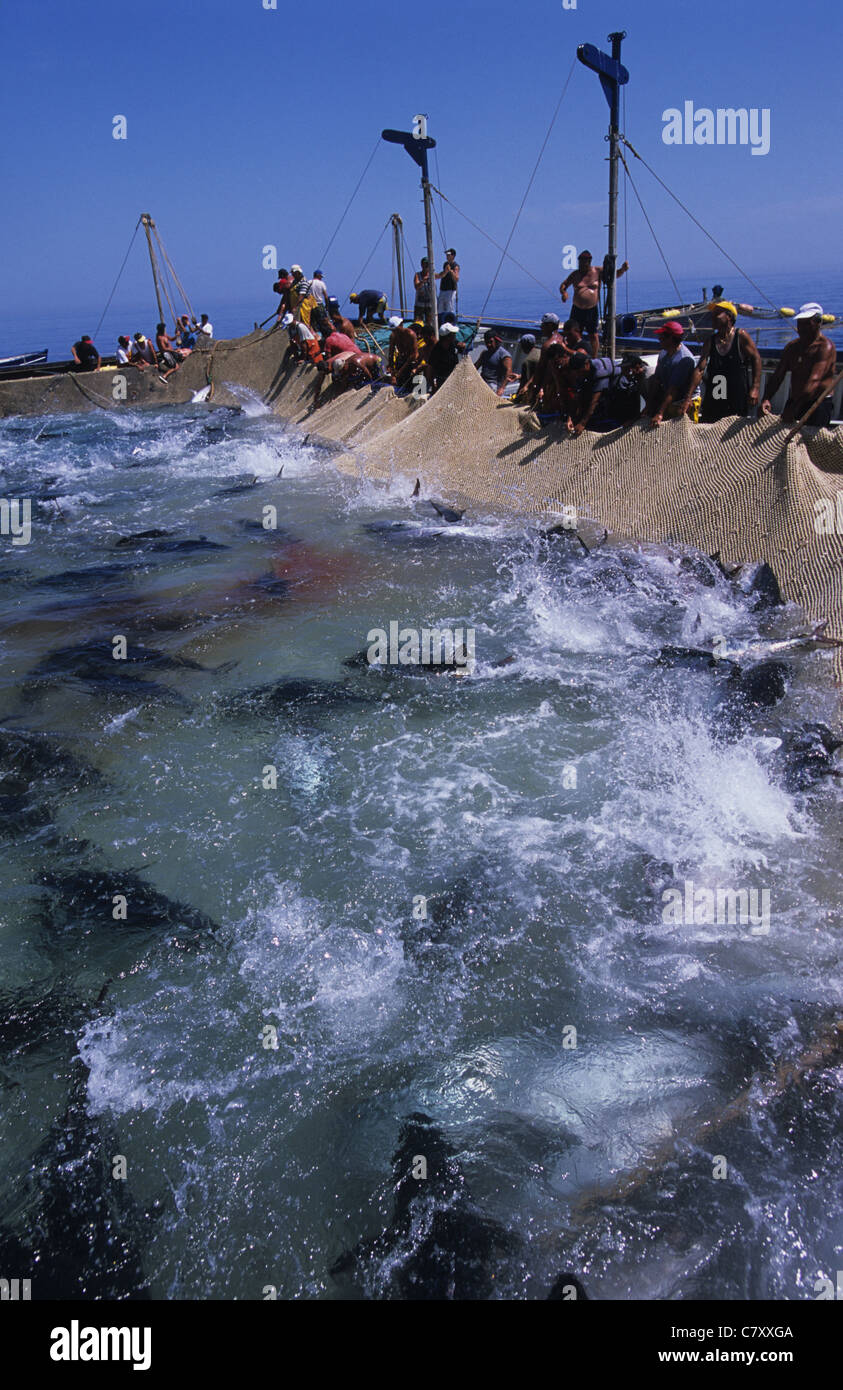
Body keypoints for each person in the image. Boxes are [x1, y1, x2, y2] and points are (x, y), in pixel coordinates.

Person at [679, 301, 761, 422]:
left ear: (729, 316)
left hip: (736, 395)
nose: (713, 317)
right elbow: (700, 369)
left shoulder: (741, 336)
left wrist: (755, 387)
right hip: (717, 395)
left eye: (717, 313)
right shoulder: (710, 341)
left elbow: (756, 358)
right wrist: (688, 397)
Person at [760, 302, 837, 428]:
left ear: (818, 322)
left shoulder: (825, 347)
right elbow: (778, 376)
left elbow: (814, 381)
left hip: (818, 403)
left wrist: (795, 407)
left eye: (807, 323)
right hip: (795, 400)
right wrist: (766, 398)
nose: (802, 327)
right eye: (800, 323)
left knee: (813, 444)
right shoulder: (792, 347)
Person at [560, 250, 629, 357]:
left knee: (593, 335)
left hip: (591, 309)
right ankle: (574, 356)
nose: (582, 263)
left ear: (589, 261)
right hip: (577, 309)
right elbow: (564, 284)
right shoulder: (575, 274)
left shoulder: (597, 271)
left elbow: (613, 275)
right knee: (574, 333)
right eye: (581, 261)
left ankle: (594, 358)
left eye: (585, 261)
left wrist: (623, 269)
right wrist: (564, 293)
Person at [646, 322, 696, 425]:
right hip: (669, 396)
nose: (659, 339)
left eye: (662, 337)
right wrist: (648, 406)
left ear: (672, 338)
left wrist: (660, 413)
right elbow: (656, 380)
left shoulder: (684, 359)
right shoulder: (663, 353)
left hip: (682, 400)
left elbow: (673, 390)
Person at [475, 331, 513, 396]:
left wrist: (502, 388)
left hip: (494, 385)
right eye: (486, 342)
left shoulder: (504, 355)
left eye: (491, 342)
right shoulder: (485, 353)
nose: (489, 344)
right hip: (481, 382)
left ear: (496, 340)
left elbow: (509, 372)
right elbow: (475, 367)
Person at [387, 316, 419, 391]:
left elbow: (414, 354)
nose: (395, 332)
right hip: (402, 359)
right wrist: (392, 373)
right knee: (398, 384)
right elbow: (391, 354)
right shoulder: (393, 336)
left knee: (410, 384)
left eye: (396, 330)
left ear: (401, 325)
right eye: (393, 330)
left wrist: (401, 371)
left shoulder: (410, 334)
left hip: (412, 361)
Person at [429, 321, 460, 392]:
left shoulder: (453, 345)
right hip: (442, 381)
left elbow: (460, 345)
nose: (455, 335)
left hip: (455, 379)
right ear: (448, 337)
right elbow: (430, 369)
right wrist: (433, 385)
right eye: (453, 334)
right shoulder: (436, 351)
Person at [514, 333, 541, 399]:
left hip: (532, 393)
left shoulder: (528, 360)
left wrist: (517, 397)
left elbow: (525, 380)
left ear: (525, 345)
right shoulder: (541, 352)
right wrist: (519, 376)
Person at [436, 249, 460, 322]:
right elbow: (443, 274)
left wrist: (451, 271)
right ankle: (440, 322)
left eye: (449, 255)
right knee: (440, 307)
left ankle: (451, 323)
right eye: (447, 255)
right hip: (443, 289)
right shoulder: (445, 264)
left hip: (451, 290)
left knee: (449, 308)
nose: (447, 256)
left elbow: (456, 278)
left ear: (453, 256)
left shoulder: (455, 266)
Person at [413, 258, 434, 324]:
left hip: (429, 304)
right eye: (425, 265)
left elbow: (440, 275)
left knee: (429, 323)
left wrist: (446, 271)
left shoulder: (432, 275)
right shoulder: (417, 275)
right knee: (418, 323)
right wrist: (422, 281)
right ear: (422, 265)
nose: (426, 267)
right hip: (419, 304)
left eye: (427, 265)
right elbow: (416, 287)